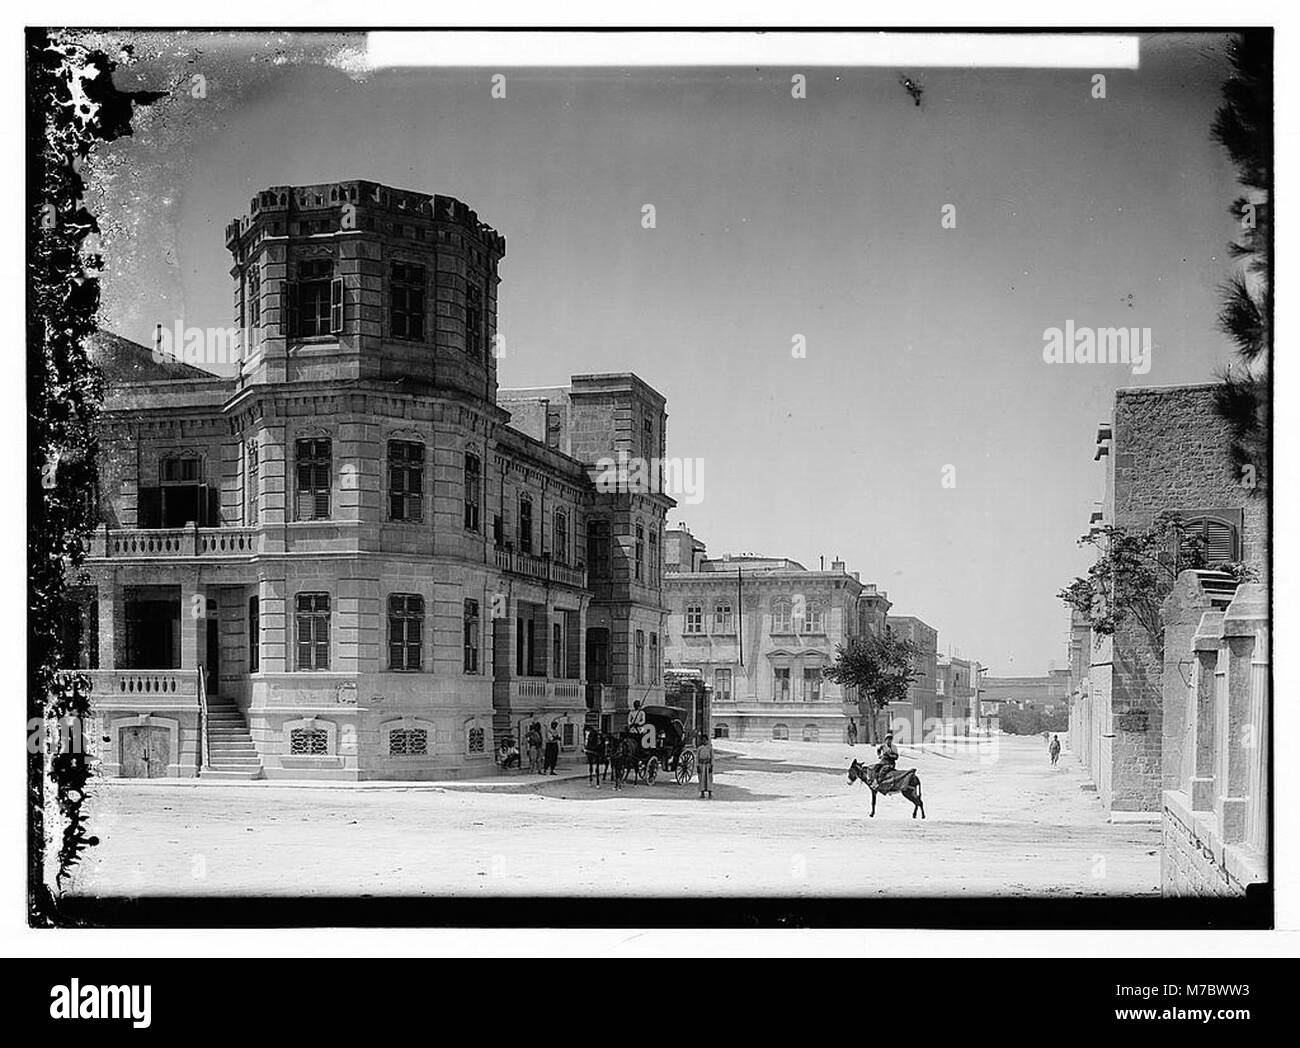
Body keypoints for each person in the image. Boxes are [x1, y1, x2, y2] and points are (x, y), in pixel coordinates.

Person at [696, 731, 714, 798]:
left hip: (708, 765)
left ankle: (710, 793)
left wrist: (711, 766)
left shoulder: (710, 748)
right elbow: (697, 757)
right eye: (702, 740)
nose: (704, 741)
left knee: (709, 779)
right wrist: (697, 766)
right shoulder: (699, 748)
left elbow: (712, 757)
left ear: (707, 740)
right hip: (701, 765)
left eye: (705, 740)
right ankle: (702, 793)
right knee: (701, 779)